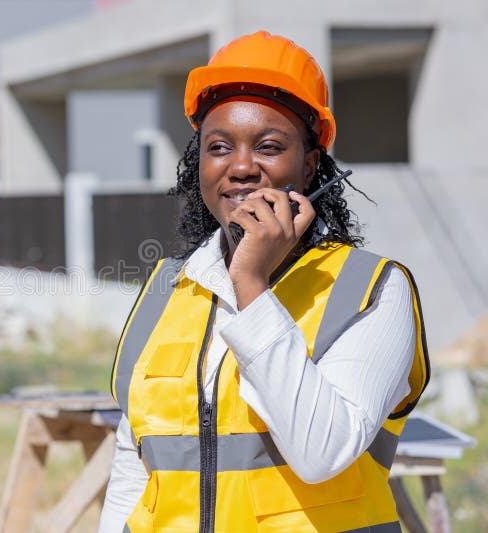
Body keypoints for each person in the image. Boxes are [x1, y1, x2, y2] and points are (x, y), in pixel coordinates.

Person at [99, 31, 429, 533]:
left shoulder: (372, 291)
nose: (242, 167)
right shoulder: (169, 289)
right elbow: (134, 458)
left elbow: (322, 452)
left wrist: (250, 283)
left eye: (270, 147)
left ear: (310, 164)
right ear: (200, 165)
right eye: (219, 147)